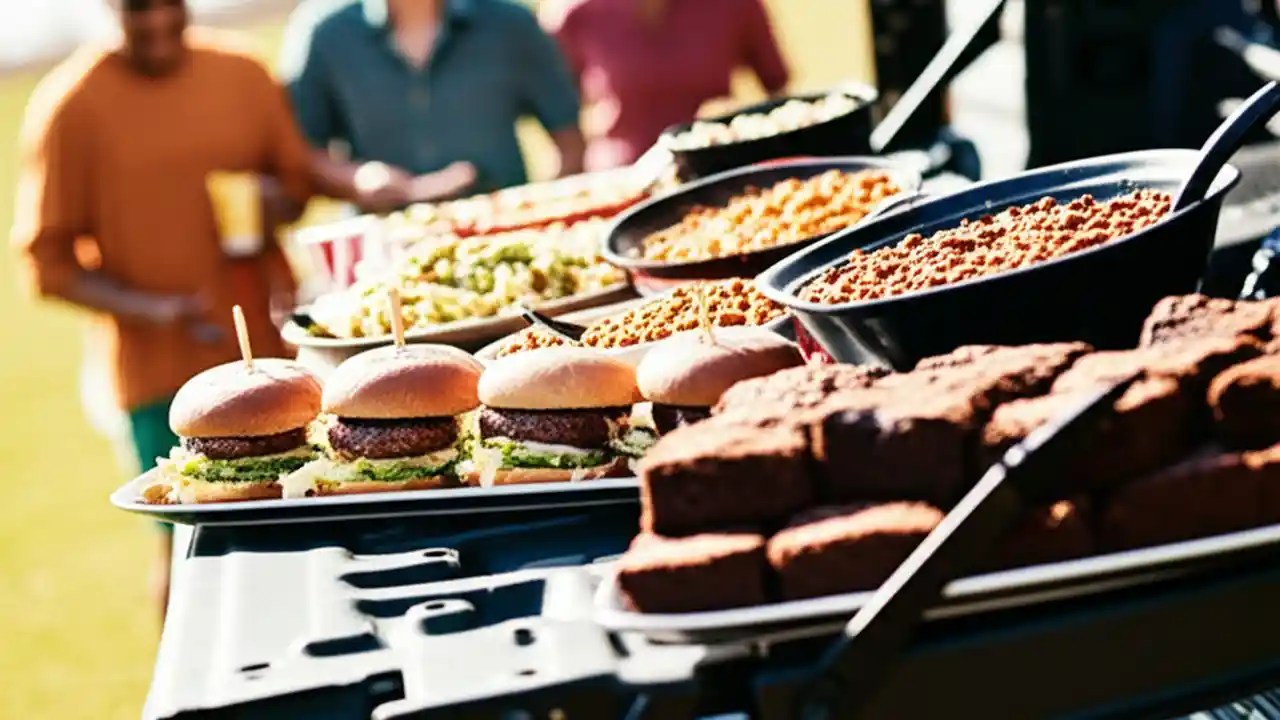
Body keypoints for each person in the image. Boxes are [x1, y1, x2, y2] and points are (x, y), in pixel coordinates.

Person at [10, 0, 314, 621]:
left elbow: (297, 188)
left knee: (302, 521)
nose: (155, 23)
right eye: (135, 11)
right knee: (187, 546)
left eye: (167, 6)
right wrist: (155, 310)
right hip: (158, 377)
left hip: (273, 356)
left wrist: (270, 201)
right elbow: (47, 265)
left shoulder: (241, 73)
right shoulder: (71, 104)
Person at [280, 0, 587, 210]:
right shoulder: (325, 35)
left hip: (504, 244)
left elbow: (570, 140)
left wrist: (538, 216)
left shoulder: (511, 24)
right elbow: (301, 151)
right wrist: (358, 180)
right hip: (382, 255)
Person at [539, 0, 791, 172]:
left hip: (714, 173)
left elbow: (780, 99)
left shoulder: (734, 5)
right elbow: (562, 127)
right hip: (619, 181)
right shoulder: (574, 12)